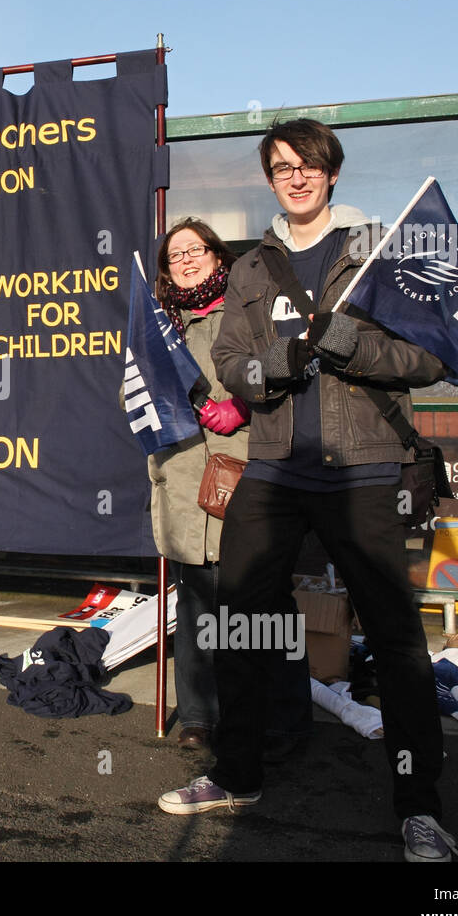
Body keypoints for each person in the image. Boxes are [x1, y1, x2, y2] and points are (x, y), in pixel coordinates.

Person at [159, 119, 458, 863]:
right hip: (275, 465)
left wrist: (352, 344)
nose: (296, 177)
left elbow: (432, 355)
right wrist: (279, 366)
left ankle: (419, 808)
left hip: (362, 467)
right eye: (282, 167)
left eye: (309, 165)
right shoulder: (255, 266)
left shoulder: (378, 250)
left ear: (332, 172)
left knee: (395, 638)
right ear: (270, 179)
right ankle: (237, 772)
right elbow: (231, 360)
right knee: (240, 617)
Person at [148, 218, 311, 754]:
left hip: (245, 474)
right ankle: (199, 715)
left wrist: (241, 405)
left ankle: (285, 716)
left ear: (219, 257)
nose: (188, 261)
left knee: (265, 603)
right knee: (195, 604)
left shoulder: (247, 311)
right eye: (176, 256)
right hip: (183, 477)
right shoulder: (157, 325)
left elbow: (287, 370)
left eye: (197, 250)